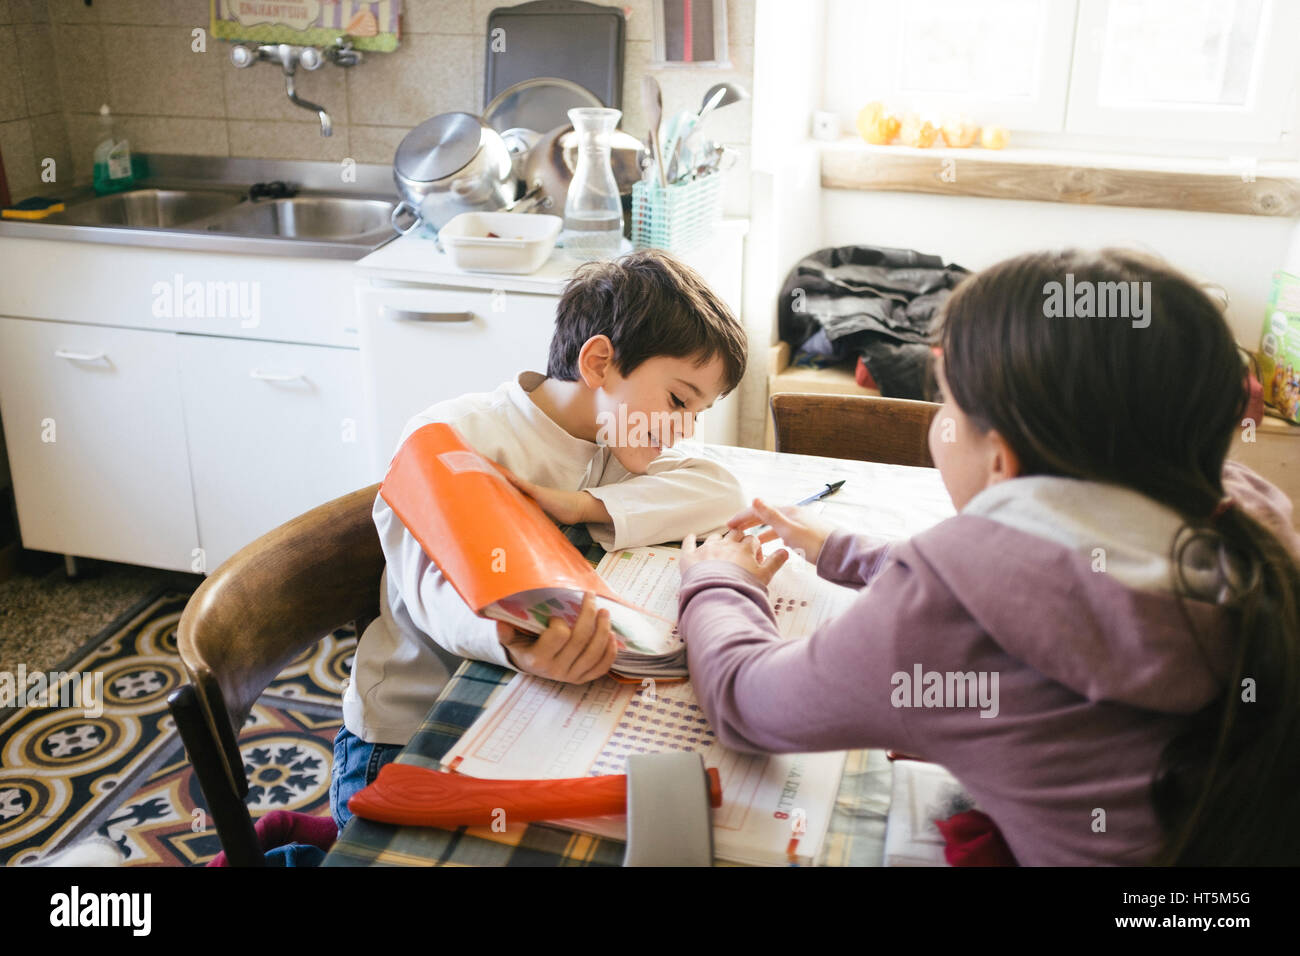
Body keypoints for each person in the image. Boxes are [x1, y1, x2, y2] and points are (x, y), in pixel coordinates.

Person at [676, 248, 1300, 865]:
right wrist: (842, 549)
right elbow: (1054, 576)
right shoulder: (1254, 522)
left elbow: (743, 700)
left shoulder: (947, 612)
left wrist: (719, 579)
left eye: (945, 403)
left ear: (1002, 460)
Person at [329, 250, 749, 832]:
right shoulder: (456, 435)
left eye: (699, 412)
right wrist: (516, 646)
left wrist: (584, 506)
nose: (686, 428)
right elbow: (433, 596)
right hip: (405, 735)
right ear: (600, 361)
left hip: (525, 711)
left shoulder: (615, 442)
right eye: (680, 401)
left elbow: (722, 489)